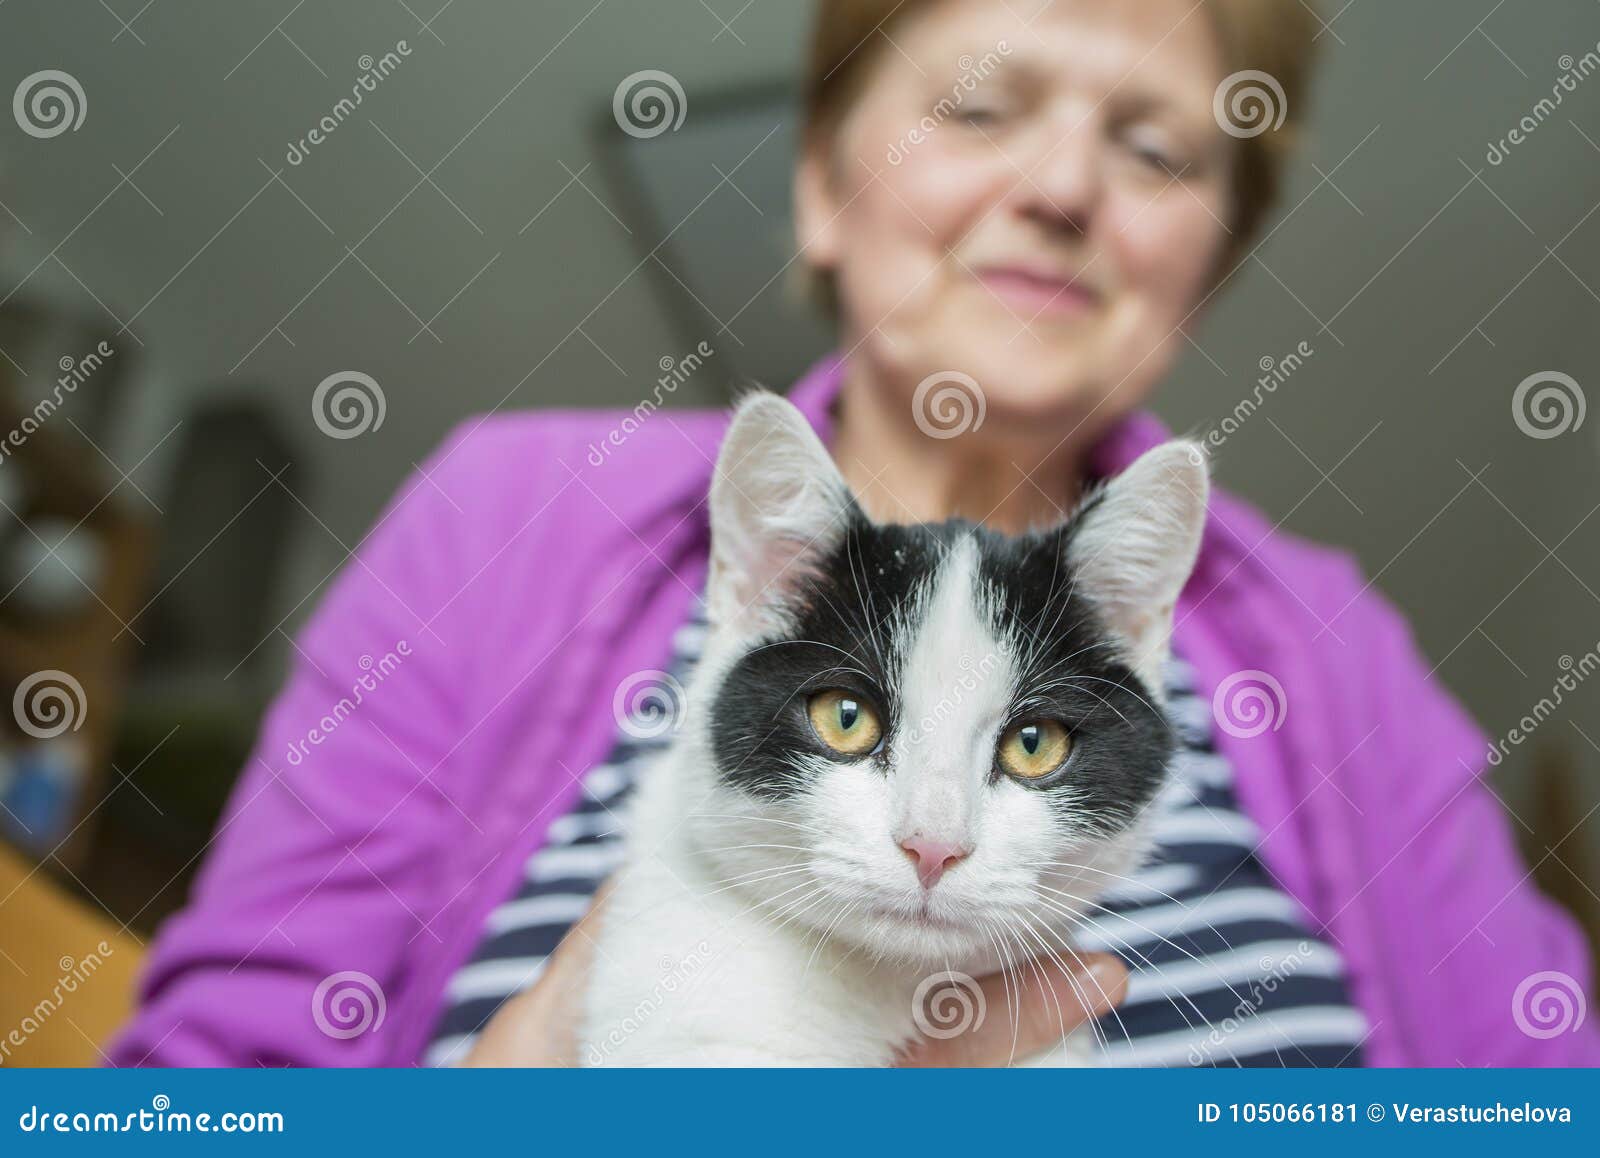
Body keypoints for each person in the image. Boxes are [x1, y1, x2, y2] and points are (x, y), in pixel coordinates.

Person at [110, 0, 1598, 1067]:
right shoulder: (509, 510)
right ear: (821, 184)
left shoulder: (1336, 643)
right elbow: (201, 1091)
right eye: (983, 107)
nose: (1064, 188)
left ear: (1201, 271)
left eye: (1156, 152)